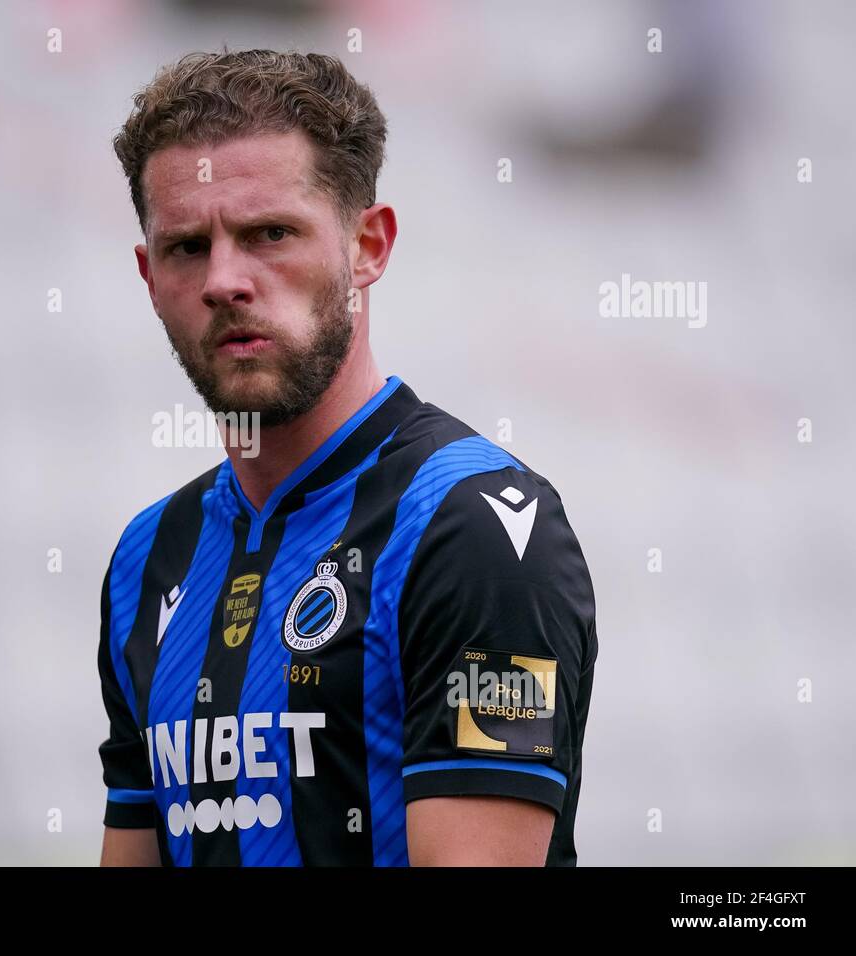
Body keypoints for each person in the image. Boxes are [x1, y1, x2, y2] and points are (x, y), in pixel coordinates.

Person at [98, 49, 597, 866]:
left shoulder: (477, 527)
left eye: (270, 234)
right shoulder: (148, 557)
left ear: (368, 246)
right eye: (189, 247)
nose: (226, 279)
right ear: (151, 278)